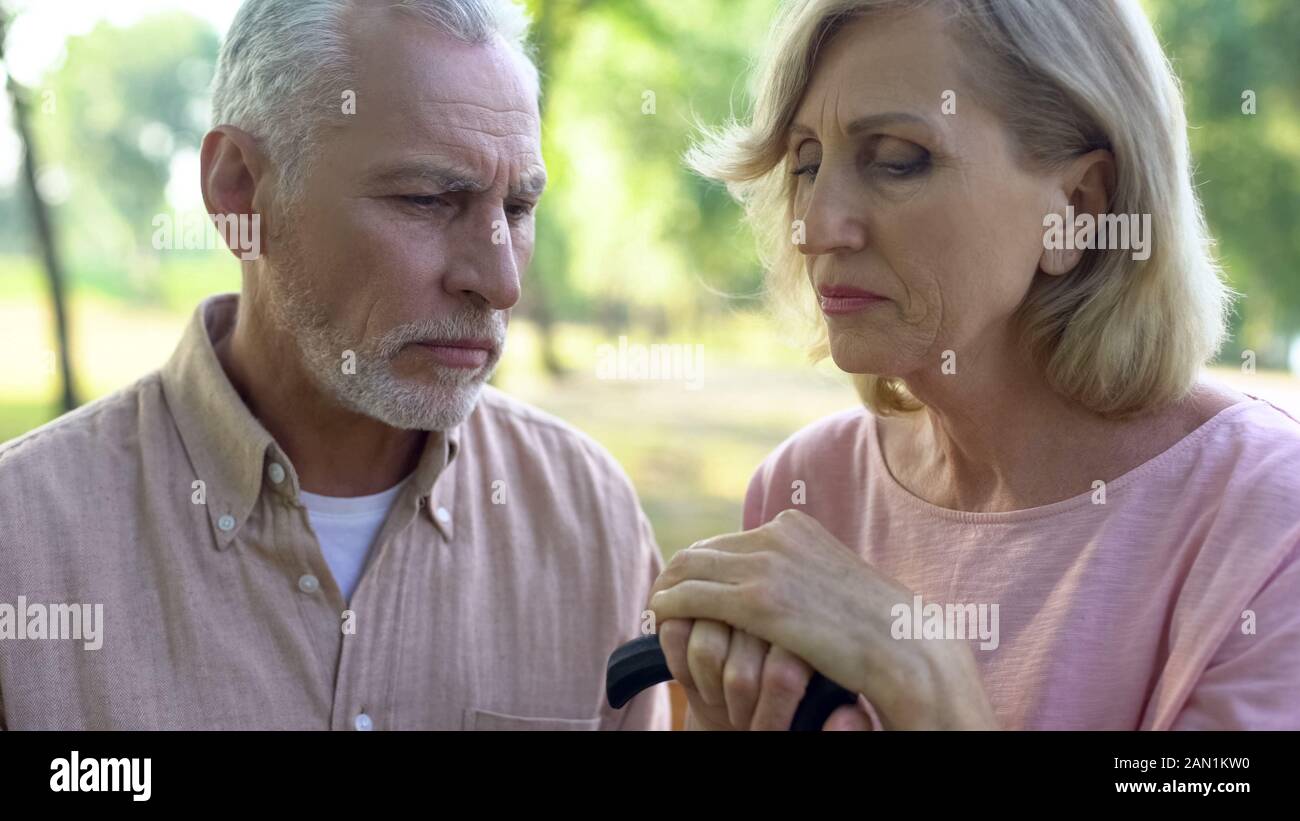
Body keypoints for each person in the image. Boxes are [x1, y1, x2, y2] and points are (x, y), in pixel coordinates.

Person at [0, 0, 669, 731]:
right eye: (427, 199)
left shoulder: (590, 520)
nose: (501, 281)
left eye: (517, 207)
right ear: (239, 194)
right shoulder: (23, 544)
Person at [649, 0, 1300, 730]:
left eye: (898, 160)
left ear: (1080, 207)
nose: (816, 225)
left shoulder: (1269, 519)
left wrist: (923, 677)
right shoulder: (805, 490)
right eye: (806, 164)